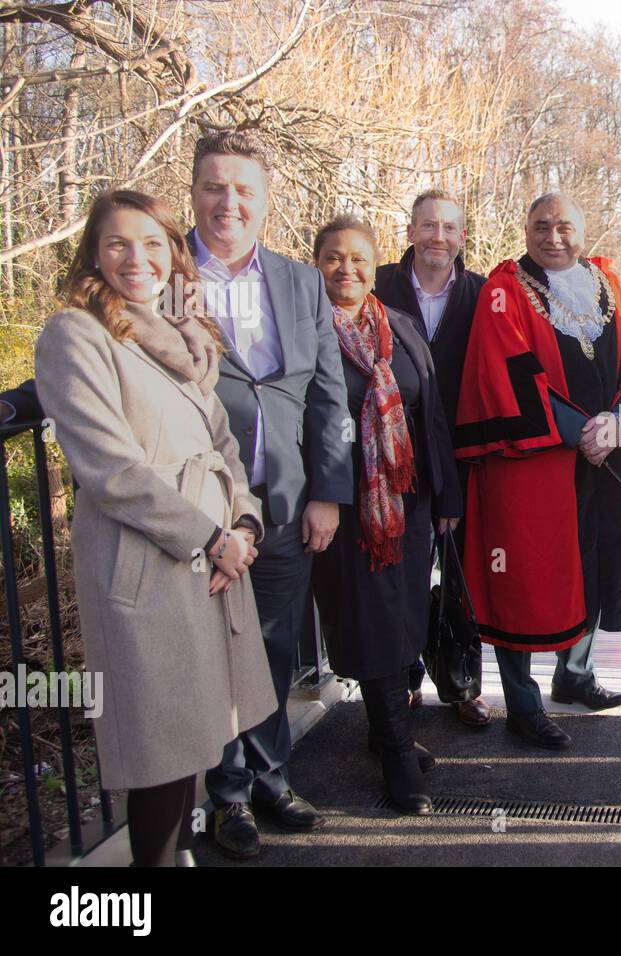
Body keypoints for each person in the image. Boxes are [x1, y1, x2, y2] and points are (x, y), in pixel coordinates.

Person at [33, 189, 277, 866]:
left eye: (150, 244)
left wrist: (245, 526)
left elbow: (223, 439)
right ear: (94, 254)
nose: (134, 259)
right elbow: (110, 467)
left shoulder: (188, 337)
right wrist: (211, 538)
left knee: (198, 738)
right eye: (116, 244)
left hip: (215, 554)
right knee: (159, 749)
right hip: (148, 562)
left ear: (172, 255)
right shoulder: (75, 333)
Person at [190, 131, 353, 859]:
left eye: (244, 190)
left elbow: (328, 394)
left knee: (275, 646)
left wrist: (330, 492)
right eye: (215, 188)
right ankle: (226, 796)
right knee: (210, 651)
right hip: (202, 505)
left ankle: (270, 776)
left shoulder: (297, 280)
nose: (230, 204)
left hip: (288, 500)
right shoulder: (164, 278)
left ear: (264, 199)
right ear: (195, 193)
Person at [453, 192, 621, 750]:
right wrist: (581, 432)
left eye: (564, 226)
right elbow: (507, 375)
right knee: (520, 577)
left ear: (583, 230)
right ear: (525, 229)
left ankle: (575, 675)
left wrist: (616, 426)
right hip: (529, 465)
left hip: (602, 459)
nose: (553, 236)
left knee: (591, 564)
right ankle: (522, 704)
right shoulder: (504, 290)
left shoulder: (609, 285)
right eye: (540, 225)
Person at [310, 216, 462, 814]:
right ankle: (397, 753)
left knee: (403, 616)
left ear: (377, 268)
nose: (346, 270)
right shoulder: (304, 332)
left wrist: (446, 497)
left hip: (410, 501)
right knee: (370, 622)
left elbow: (433, 417)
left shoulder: (399, 327)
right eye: (332, 259)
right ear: (316, 264)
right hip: (347, 506)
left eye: (358, 260)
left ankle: (384, 729)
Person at [374, 189, 489, 726]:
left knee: (464, 570)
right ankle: (406, 678)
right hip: (399, 456)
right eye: (427, 225)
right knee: (405, 573)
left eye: (448, 227)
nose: (437, 236)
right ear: (412, 231)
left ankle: (464, 682)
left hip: (465, 453)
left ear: (462, 237)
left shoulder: (485, 294)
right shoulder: (378, 286)